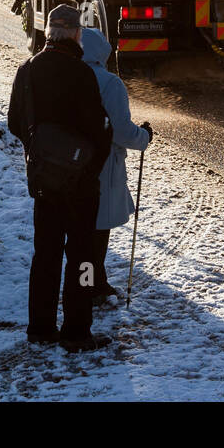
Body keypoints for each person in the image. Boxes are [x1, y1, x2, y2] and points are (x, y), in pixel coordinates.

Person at [7, 4, 112, 353]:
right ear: (77, 34)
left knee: (46, 255)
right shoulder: (81, 74)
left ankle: (40, 327)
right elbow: (98, 131)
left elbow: (14, 123)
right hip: (81, 184)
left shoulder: (28, 71)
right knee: (81, 257)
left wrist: (41, 153)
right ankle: (77, 331)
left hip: (43, 181)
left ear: (49, 33)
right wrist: (89, 165)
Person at [79, 27, 153, 302]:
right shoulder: (109, 83)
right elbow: (120, 130)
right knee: (98, 231)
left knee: (80, 233)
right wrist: (144, 136)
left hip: (68, 165)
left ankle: (87, 283)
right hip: (102, 166)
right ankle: (92, 287)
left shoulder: (67, 76)